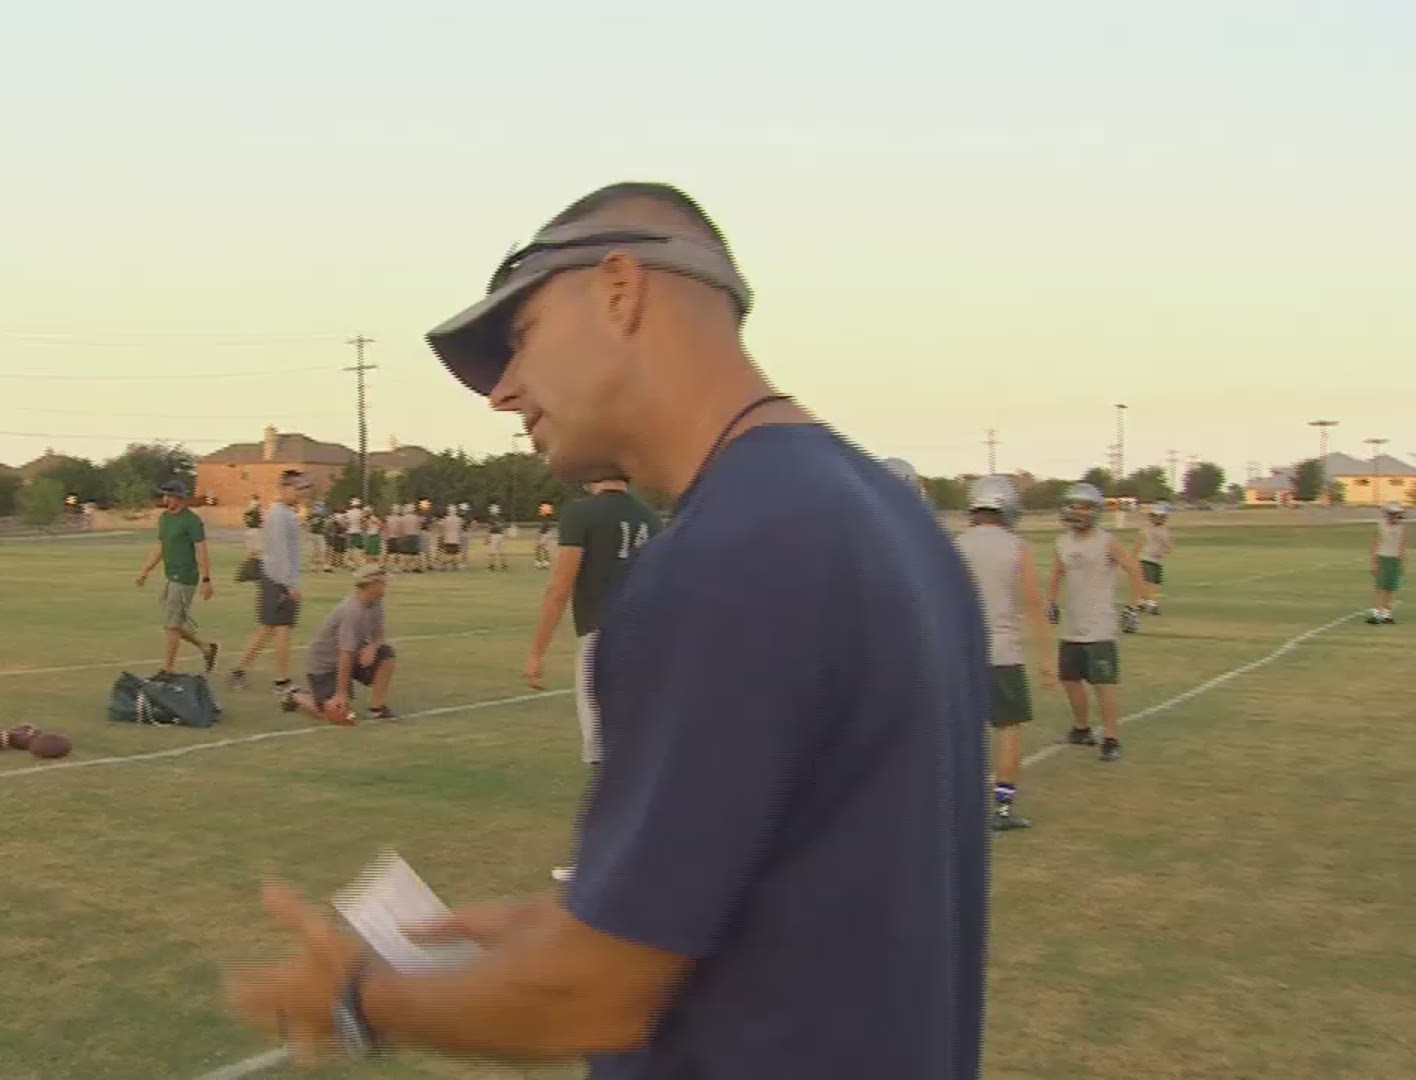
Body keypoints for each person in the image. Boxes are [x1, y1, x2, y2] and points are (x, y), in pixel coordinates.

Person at [229, 181, 988, 1079]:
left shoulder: (727, 556)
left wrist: (360, 996)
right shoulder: (891, 522)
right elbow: (802, 886)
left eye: (520, 339)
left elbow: (589, 997)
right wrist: (556, 925)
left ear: (621, 289)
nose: (503, 393)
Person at [526, 476, 661, 880]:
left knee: (603, 753)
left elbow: (559, 587)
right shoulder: (649, 516)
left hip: (604, 640)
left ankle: (600, 858)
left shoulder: (582, 513)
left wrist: (536, 651)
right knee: (636, 747)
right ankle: (641, 851)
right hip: (649, 637)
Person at [954, 475, 1057, 830]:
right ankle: (1002, 808)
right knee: (1008, 729)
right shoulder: (1017, 547)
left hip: (962, 653)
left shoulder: (955, 545)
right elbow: (1032, 603)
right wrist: (1047, 657)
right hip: (1003, 653)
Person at [1049, 482, 1148, 762]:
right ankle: (1081, 729)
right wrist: (1052, 602)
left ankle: (1111, 738)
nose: (1078, 512)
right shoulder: (1061, 542)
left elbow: (1133, 569)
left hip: (1100, 626)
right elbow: (1057, 574)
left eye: (1085, 506)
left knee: (1103, 684)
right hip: (1072, 625)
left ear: (1095, 511)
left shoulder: (1107, 541)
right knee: (1070, 680)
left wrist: (1133, 606)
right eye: (1074, 505)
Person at [286, 563, 402, 723]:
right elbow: (344, 654)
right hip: (325, 665)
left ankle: (377, 708)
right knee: (341, 716)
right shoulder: (352, 610)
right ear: (371, 585)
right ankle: (295, 696)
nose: (386, 586)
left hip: (351, 656)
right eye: (382, 582)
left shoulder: (376, 603)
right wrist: (341, 693)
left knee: (386, 654)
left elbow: (379, 636)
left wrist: (373, 646)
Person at [231, 470, 308, 701]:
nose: (302, 493)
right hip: (277, 579)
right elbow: (279, 553)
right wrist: (289, 584)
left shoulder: (286, 514)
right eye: (298, 488)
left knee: (268, 629)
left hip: (277, 578)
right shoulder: (279, 515)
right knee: (281, 629)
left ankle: (239, 670)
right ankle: (281, 680)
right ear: (284, 488)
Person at [134, 479, 218, 675]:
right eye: (164, 495)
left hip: (185, 577)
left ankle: (167, 669)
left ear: (180, 498)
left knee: (172, 626)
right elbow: (161, 547)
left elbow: (202, 550)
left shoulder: (191, 521)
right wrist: (145, 570)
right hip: (170, 576)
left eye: (169, 495)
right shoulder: (164, 518)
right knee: (173, 623)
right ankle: (206, 648)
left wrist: (206, 580)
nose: (165, 499)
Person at [1367, 501, 1405, 625]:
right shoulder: (1381, 526)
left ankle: (1387, 615)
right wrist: (1373, 562)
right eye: (1394, 514)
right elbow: (1375, 544)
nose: (1396, 517)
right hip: (1382, 558)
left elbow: (1401, 546)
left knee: (1390, 588)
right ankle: (1377, 615)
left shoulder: (1400, 527)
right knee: (1381, 588)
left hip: (1394, 560)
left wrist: (1401, 562)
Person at [1134, 502, 1173, 614]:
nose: (1158, 519)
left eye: (1161, 517)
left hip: (1155, 561)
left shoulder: (1160, 530)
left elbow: (1168, 546)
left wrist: (1166, 549)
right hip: (1147, 559)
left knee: (1151, 582)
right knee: (1150, 583)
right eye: (1155, 516)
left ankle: (1141, 602)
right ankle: (1152, 605)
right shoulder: (1151, 529)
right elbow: (1140, 542)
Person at [438, 503, 465, 570]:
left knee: (447, 553)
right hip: (455, 538)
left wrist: (442, 536)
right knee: (454, 553)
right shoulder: (459, 520)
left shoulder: (446, 519)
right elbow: (460, 530)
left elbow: (442, 527)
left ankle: (444, 565)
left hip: (447, 538)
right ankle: (454, 566)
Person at [485, 502, 509, 571]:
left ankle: (491, 567)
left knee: (492, 552)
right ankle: (504, 566)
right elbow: (503, 528)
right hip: (501, 535)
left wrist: (487, 538)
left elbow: (489, 529)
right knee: (501, 552)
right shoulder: (501, 519)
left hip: (494, 535)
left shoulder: (491, 519)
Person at [533, 501, 556, 569]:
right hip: (548, 535)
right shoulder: (548, 519)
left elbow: (543, 529)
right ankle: (546, 563)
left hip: (544, 535)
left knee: (538, 547)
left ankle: (538, 563)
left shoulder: (545, 520)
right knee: (545, 548)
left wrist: (539, 535)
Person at [242, 494, 265, 559]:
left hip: (250, 529)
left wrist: (247, 522)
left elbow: (245, 516)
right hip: (256, 530)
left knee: (250, 548)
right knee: (258, 549)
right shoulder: (257, 508)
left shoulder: (250, 510)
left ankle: (250, 560)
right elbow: (261, 519)